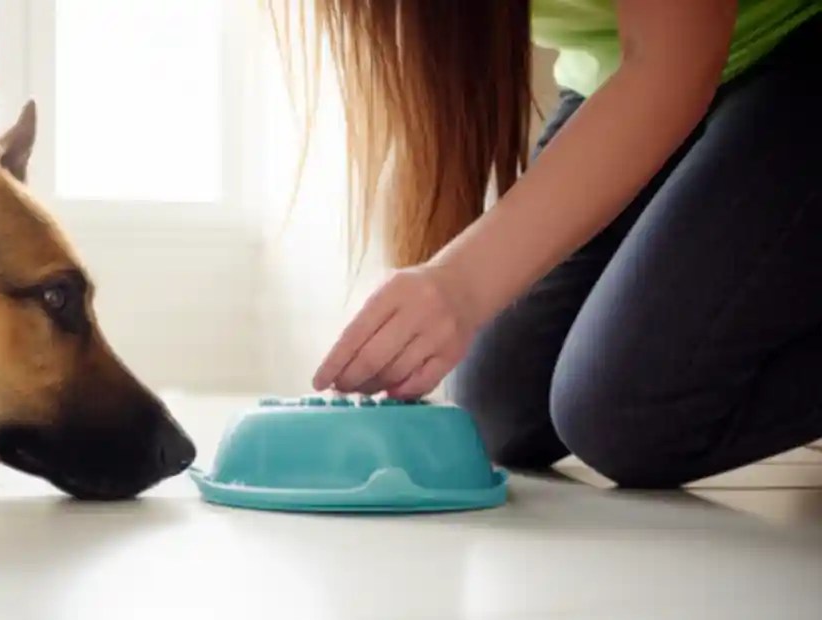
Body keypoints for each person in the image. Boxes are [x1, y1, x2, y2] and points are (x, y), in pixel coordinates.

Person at [296, 0, 822, 488]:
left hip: (787, 47)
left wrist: (461, 283)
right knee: (500, 408)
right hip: (617, 74)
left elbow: (676, 63)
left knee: (627, 416)